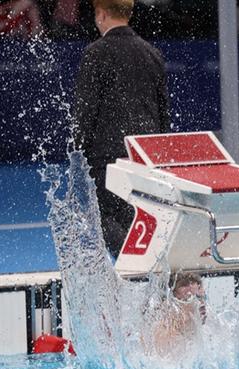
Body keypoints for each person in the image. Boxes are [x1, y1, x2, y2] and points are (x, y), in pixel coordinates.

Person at [74, 0, 170, 258]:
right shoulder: (152, 53)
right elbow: (162, 112)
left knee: (103, 220)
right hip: (144, 153)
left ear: (101, 15)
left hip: (107, 154)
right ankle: (147, 270)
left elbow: (85, 110)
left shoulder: (96, 53)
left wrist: (76, 150)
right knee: (139, 218)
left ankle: (132, 272)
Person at [150, 272, 206, 355]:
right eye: (190, 298)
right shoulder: (162, 341)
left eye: (201, 297)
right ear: (169, 305)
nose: (201, 304)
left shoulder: (207, 338)